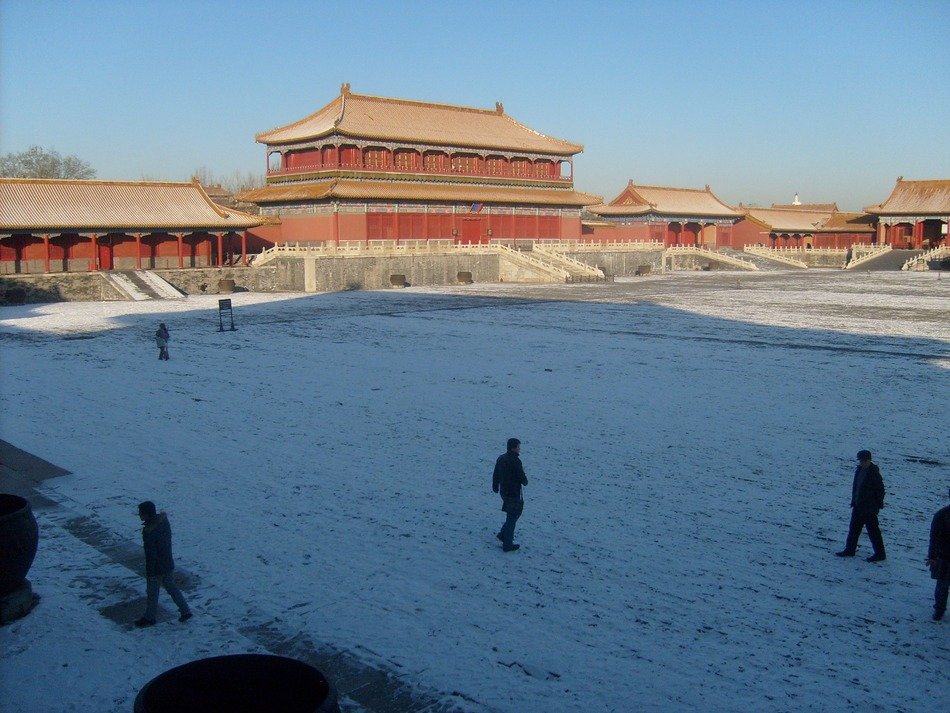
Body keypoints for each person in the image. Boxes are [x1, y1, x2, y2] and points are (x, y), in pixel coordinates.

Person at [135, 500, 191, 627]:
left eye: (141, 513)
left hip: (156, 567)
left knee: (152, 592)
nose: (139, 515)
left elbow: (151, 553)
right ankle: (185, 610)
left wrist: (150, 571)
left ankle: (150, 617)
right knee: (171, 586)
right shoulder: (164, 523)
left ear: (147, 515)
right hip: (167, 562)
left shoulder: (149, 532)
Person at [836, 450, 886, 562]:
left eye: (864, 461)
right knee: (853, 530)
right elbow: (856, 487)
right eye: (860, 461)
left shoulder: (874, 473)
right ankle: (850, 550)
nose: (862, 463)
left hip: (869, 509)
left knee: (874, 533)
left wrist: (877, 506)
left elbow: (880, 491)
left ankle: (880, 554)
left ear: (869, 460)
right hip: (858, 506)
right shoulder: (859, 470)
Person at [492, 438, 528, 553]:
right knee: (513, 516)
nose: (519, 449)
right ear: (513, 448)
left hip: (504, 491)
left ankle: (503, 534)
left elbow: (495, 473)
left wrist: (495, 486)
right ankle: (507, 544)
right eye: (518, 447)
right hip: (513, 493)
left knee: (512, 514)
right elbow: (522, 477)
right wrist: (525, 481)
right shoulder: (516, 461)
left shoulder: (501, 458)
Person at [926, 487, 950, 621]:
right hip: (945, 557)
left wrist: (932, 556)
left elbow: (934, 537)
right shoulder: (941, 515)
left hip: (944, 557)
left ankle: (939, 610)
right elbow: (934, 537)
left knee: (942, 585)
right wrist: (932, 556)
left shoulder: (941, 514)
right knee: (942, 585)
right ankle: (939, 609)